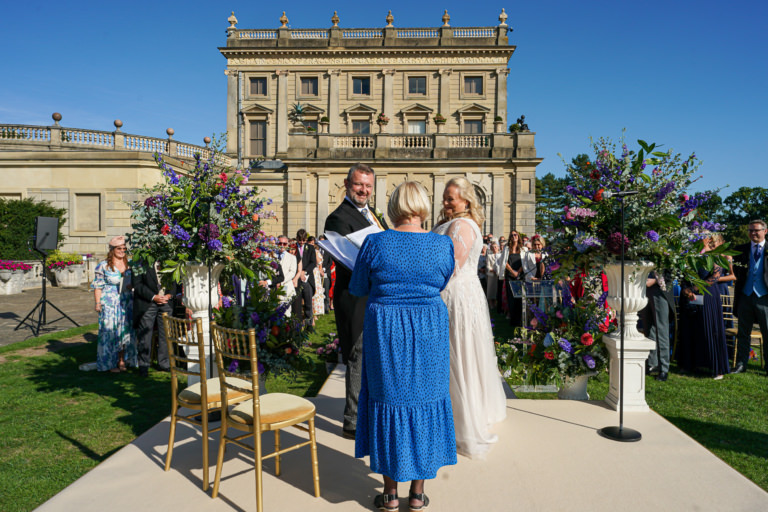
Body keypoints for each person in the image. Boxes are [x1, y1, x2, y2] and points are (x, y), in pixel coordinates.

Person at [350, 181, 456, 512]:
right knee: (424, 399)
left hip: (386, 330)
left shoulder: (375, 242)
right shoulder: (442, 245)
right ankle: (417, 494)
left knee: (389, 398)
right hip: (428, 328)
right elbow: (443, 281)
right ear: (424, 205)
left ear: (394, 206)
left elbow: (357, 286)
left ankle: (390, 495)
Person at [433, 176, 507, 459]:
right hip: (458, 293)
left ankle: (462, 422)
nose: (446, 202)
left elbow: (450, 266)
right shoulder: (452, 223)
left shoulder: (462, 225)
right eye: (445, 197)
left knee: (458, 354)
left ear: (466, 200)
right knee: (455, 354)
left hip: (456, 295)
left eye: (451, 198)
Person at [324, 162, 389, 439]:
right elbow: (352, 260)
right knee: (357, 354)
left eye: (368, 186)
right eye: (358, 184)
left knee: (372, 355)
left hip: (376, 295)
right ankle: (352, 420)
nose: (363, 190)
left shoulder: (373, 214)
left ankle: (366, 413)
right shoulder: (338, 218)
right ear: (348, 185)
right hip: (355, 296)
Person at [676, 237, 732, 379]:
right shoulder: (688, 256)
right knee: (690, 329)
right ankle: (689, 364)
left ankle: (716, 367)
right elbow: (683, 275)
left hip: (707, 295)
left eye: (702, 236)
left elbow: (715, 276)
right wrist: (686, 290)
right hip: (689, 295)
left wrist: (695, 288)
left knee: (710, 330)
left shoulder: (715, 256)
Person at [91, 236, 137, 372]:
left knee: (125, 332)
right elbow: (97, 286)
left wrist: (132, 286)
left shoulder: (130, 264)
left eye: (124, 248)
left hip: (127, 302)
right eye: (119, 248)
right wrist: (98, 303)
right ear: (112, 250)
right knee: (110, 333)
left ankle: (123, 360)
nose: (122, 251)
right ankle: (110, 363)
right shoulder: (103, 266)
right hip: (110, 303)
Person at [732, 219, 768, 375]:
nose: (753, 233)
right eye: (750, 230)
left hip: (765, 297)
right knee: (743, 333)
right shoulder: (740, 250)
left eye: (756, 230)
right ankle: (741, 364)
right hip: (745, 295)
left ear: (765, 231)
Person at [133, 257, 175, 377]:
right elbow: (138, 285)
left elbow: (174, 280)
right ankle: (144, 365)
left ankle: (164, 363)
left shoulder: (168, 259)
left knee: (166, 334)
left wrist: (169, 294)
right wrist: (153, 296)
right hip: (148, 303)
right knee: (145, 335)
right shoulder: (140, 261)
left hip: (166, 303)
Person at [642, 270, 676, 381]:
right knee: (648, 328)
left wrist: (655, 280)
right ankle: (652, 364)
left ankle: (664, 368)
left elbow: (671, 271)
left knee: (661, 331)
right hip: (644, 290)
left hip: (660, 291)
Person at [500, 231, 524, 327]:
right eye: (512, 235)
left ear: (518, 236)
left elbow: (524, 262)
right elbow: (504, 262)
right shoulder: (506, 248)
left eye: (516, 235)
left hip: (520, 275)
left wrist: (518, 272)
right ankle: (513, 321)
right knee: (511, 298)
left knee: (519, 298)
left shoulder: (523, 249)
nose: (514, 236)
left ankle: (519, 320)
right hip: (510, 275)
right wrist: (512, 271)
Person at [294, 228, 316, 325]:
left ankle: (309, 323)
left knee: (308, 303)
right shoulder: (293, 248)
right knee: (297, 303)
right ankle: (297, 323)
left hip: (307, 278)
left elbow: (313, 262)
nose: (302, 242)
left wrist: (304, 271)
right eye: (300, 240)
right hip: (296, 279)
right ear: (296, 238)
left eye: (304, 240)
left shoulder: (310, 248)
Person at [275, 235, 298, 316]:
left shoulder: (292, 258)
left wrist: (281, 281)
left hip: (286, 286)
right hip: (272, 286)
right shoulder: (271, 256)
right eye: (280, 243)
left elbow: (292, 272)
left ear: (287, 245)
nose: (282, 245)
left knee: (286, 311)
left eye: (284, 244)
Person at [307, 236, 326, 318]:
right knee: (311, 292)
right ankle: (311, 312)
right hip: (310, 272)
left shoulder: (316, 251)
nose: (311, 244)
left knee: (317, 292)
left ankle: (316, 312)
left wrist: (314, 252)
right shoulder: (306, 251)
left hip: (316, 273)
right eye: (310, 243)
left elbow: (319, 263)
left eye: (313, 243)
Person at [486, 239, 501, 309]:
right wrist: (492, 270)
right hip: (492, 275)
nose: (494, 248)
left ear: (498, 247)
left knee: (497, 289)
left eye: (496, 247)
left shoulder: (501, 255)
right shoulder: (489, 256)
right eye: (493, 247)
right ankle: (491, 304)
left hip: (499, 274)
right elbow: (488, 266)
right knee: (491, 290)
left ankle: (496, 303)